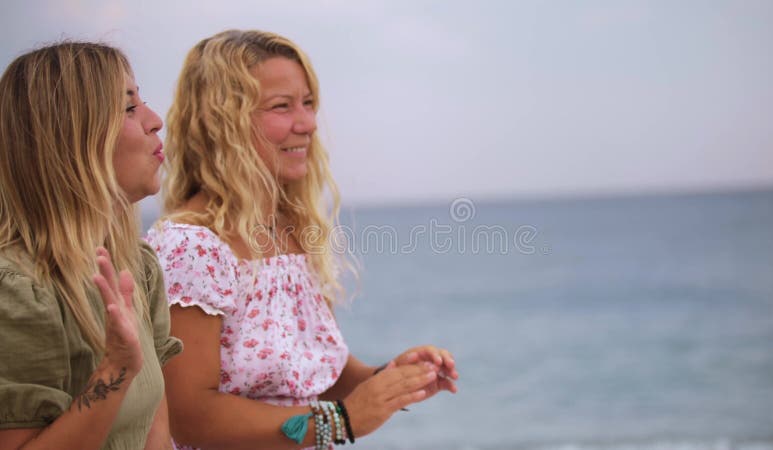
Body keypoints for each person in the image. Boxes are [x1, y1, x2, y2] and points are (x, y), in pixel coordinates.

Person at [145, 29, 458, 449]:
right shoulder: (192, 245)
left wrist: (388, 379)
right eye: (282, 106)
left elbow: (318, 377)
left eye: (308, 103)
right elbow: (190, 416)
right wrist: (344, 421)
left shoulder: (294, 229)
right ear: (224, 121)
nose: (307, 123)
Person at [0, 42, 182, 450]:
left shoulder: (137, 268)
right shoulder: (16, 289)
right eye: (129, 108)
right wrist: (115, 369)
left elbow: (156, 432)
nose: (155, 122)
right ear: (70, 137)